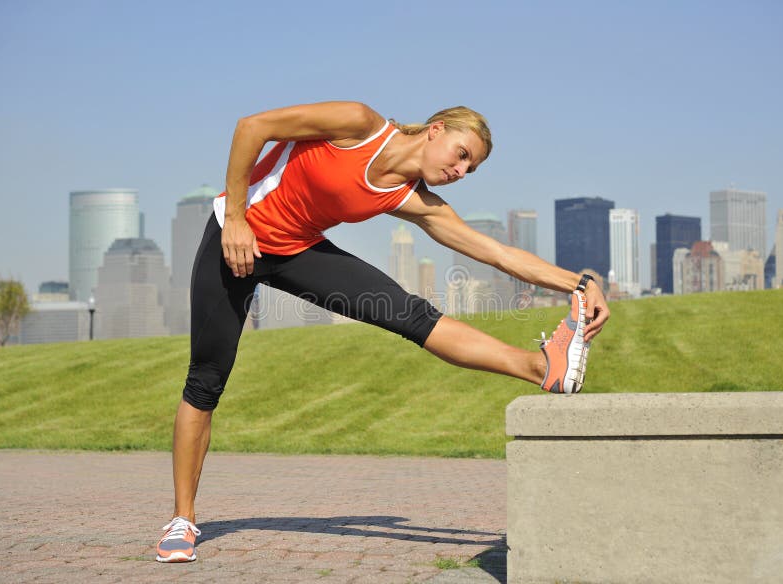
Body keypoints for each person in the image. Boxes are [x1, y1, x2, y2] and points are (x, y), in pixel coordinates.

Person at [155, 101, 609, 563]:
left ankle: (541, 367)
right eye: (461, 154)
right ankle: (182, 519)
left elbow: (496, 252)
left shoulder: (413, 199)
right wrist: (235, 219)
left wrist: (580, 283)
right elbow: (253, 127)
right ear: (436, 130)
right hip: (234, 238)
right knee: (206, 379)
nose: (460, 171)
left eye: (470, 168)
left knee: (412, 315)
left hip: (298, 251)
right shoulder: (357, 124)